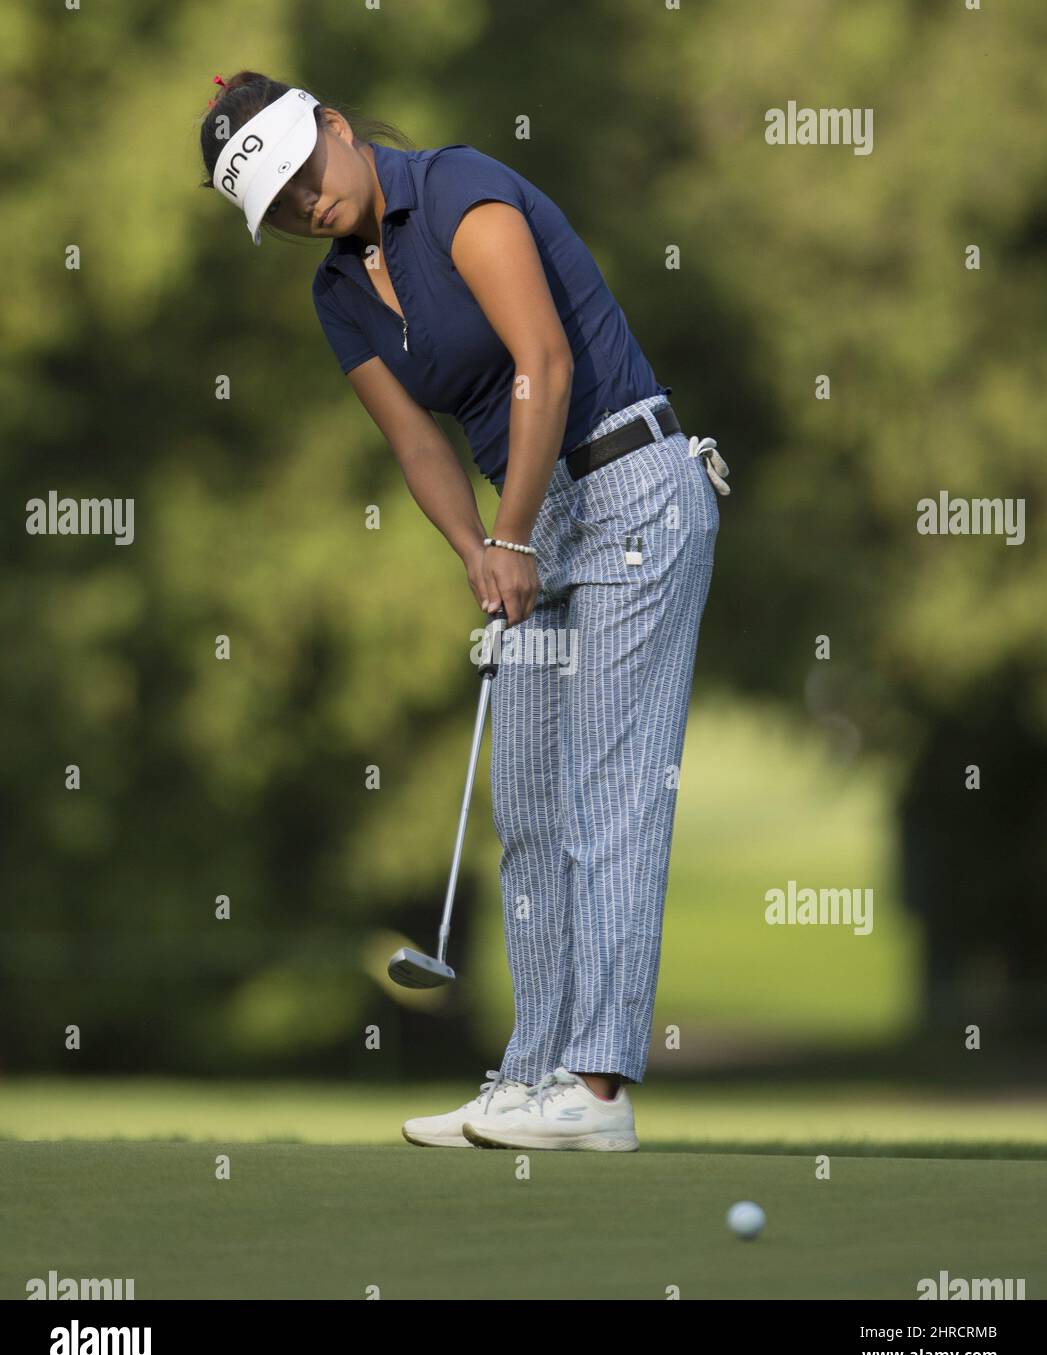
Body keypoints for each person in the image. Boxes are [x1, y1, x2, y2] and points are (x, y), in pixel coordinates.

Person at [200, 71, 727, 1153]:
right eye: (281, 204)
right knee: (528, 808)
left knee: (607, 796)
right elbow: (417, 441)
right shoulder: (339, 294)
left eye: (305, 172)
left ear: (336, 129)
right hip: (530, 527)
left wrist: (514, 533)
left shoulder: (460, 194)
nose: (306, 204)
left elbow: (544, 361)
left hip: (631, 490)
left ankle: (597, 1088)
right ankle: (533, 1074)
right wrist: (477, 550)